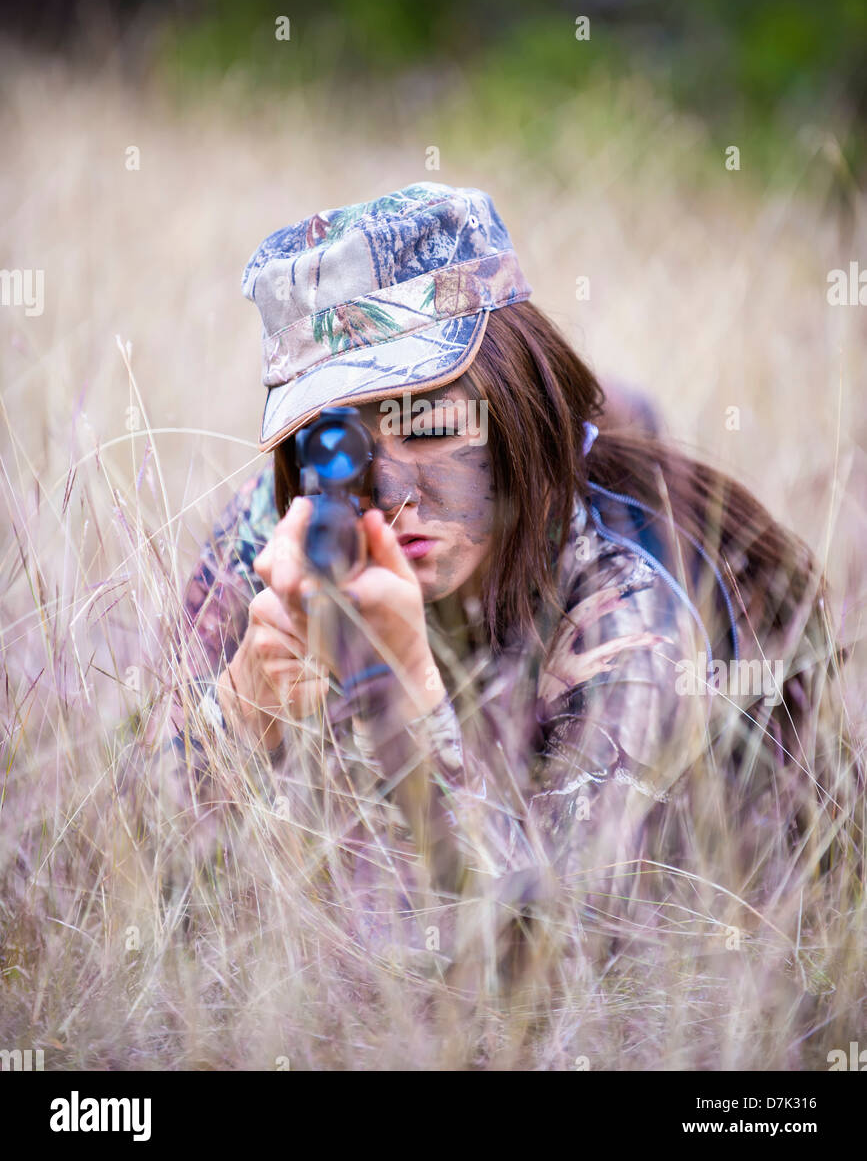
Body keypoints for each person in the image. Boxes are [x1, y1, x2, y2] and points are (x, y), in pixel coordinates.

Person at [152, 182, 858, 986]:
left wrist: (403, 703)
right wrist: (238, 718)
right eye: (343, 438)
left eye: (427, 423)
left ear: (513, 408)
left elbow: (539, 974)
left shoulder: (625, 612)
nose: (391, 493)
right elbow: (140, 875)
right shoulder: (284, 530)